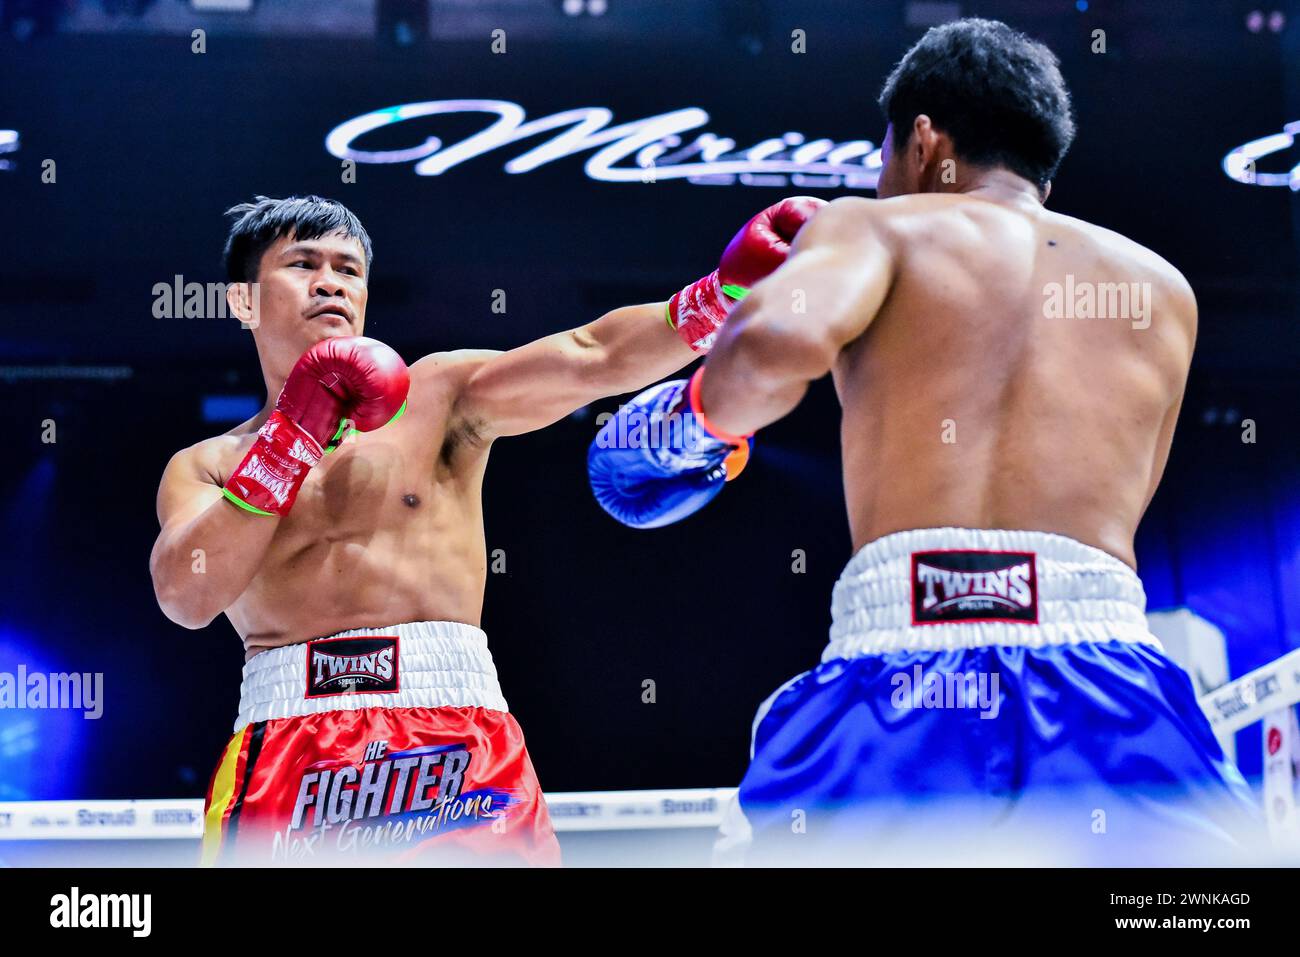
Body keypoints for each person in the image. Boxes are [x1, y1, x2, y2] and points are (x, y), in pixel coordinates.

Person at [587, 18, 1261, 865]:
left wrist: (689, 427)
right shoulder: (1163, 290)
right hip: (1113, 674)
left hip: (907, 667)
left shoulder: (875, 228)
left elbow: (770, 349)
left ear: (923, 138)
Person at [149, 193, 822, 865]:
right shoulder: (208, 464)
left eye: (348, 269)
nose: (331, 281)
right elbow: (187, 596)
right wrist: (289, 441)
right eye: (302, 264)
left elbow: (591, 354)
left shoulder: (436, 395)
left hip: (455, 738)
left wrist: (723, 294)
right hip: (289, 746)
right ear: (242, 301)